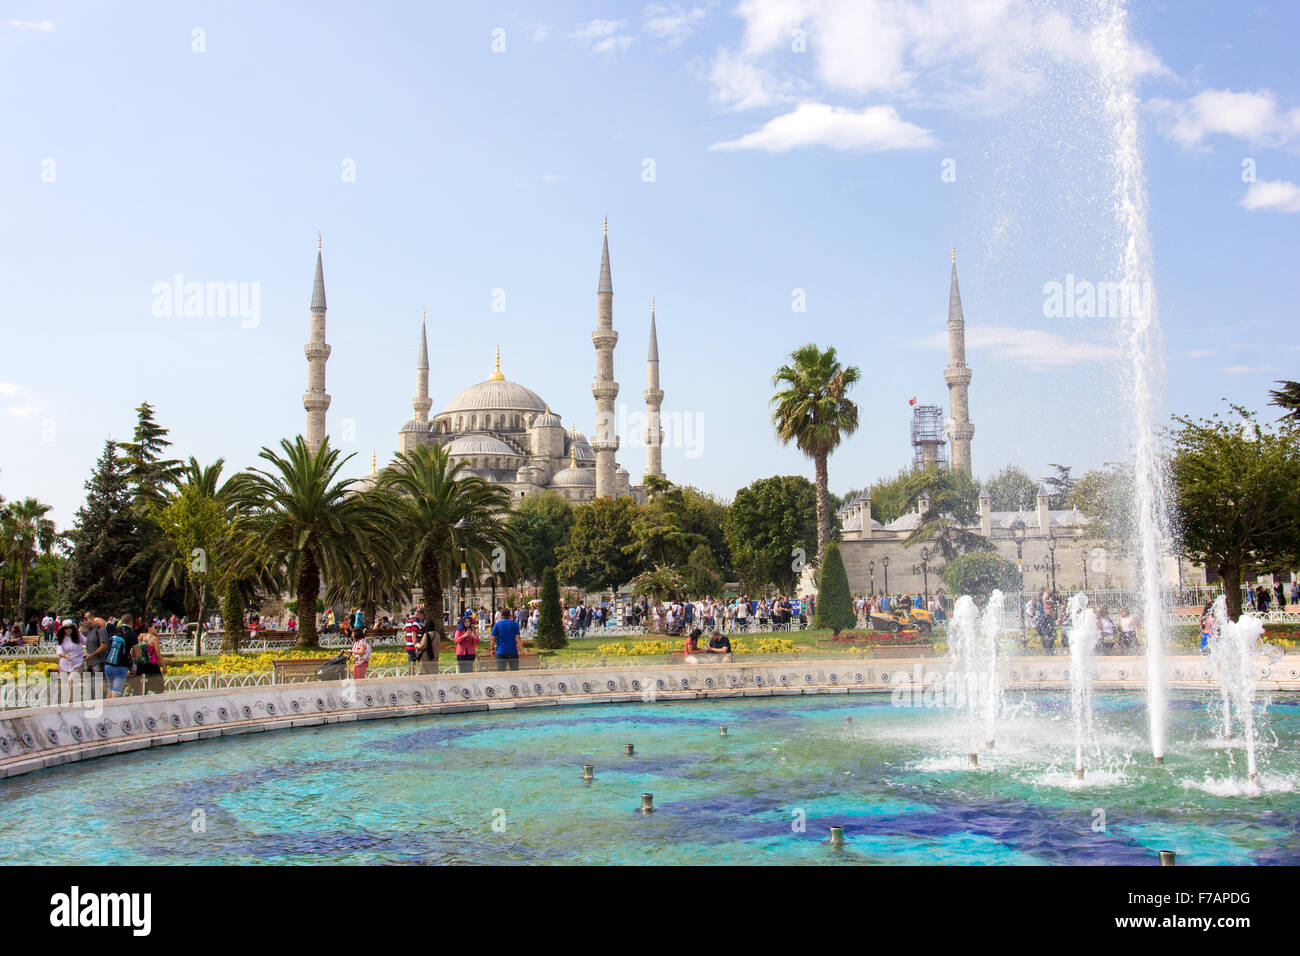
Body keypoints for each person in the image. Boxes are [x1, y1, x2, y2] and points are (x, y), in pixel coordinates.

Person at [103, 618, 138, 698]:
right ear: (131, 623)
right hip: (121, 667)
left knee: (110, 690)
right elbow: (137, 654)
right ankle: (114, 710)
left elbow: (97, 620)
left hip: (108, 664)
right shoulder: (132, 635)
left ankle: (107, 709)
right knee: (116, 691)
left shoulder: (114, 629)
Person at [135, 623, 167, 694]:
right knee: (159, 688)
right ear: (149, 628)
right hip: (152, 666)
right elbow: (158, 655)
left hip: (141, 665)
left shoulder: (140, 637)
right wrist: (164, 668)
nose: (157, 629)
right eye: (155, 627)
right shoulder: (154, 639)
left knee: (142, 689)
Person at [55, 619, 85, 695]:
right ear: (63, 629)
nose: (68, 630)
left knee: (72, 679)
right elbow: (59, 651)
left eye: (70, 627)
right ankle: (68, 700)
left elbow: (88, 642)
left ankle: (75, 696)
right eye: (66, 628)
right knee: (65, 684)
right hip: (64, 664)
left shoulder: (78, 636)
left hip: (77, 663)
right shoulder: (61, 639)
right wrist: (64, 656)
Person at [81, 615, 108, 698]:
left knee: (97, 686)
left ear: (91, 619)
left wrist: (92, 654)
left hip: (98, 662)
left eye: (85, 619)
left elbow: (103, 646)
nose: (83, 622)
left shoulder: (100, 630)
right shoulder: (89, 631)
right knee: (88, 686)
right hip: (89, 662)